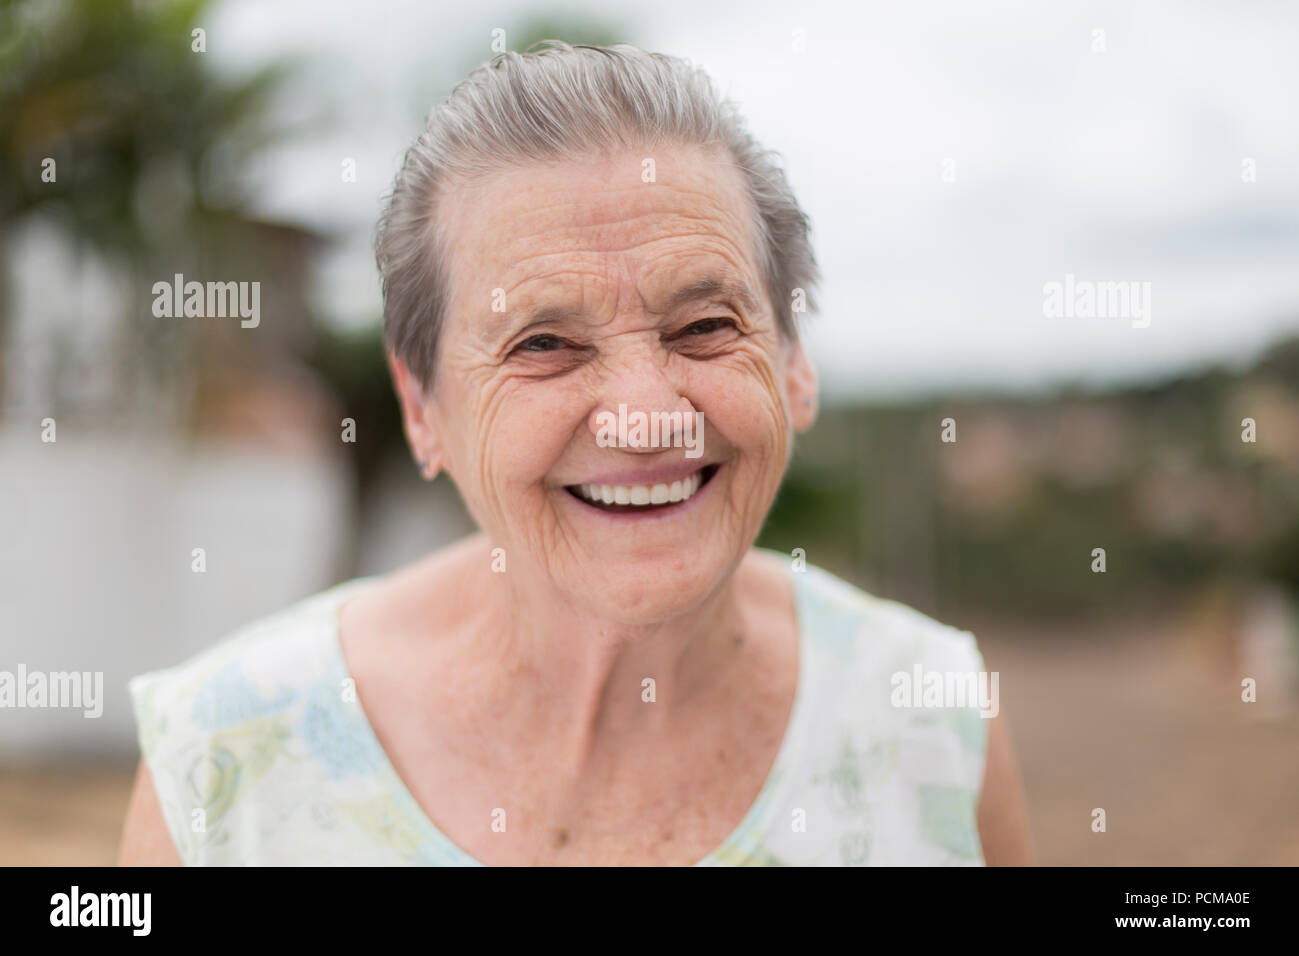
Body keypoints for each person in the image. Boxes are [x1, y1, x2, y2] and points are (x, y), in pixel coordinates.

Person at [118, 41, 1033, 866]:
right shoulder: (224, 763)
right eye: (544, 345)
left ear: (795, 365)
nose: (644, 418)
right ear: (421, 407)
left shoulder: (932, 720)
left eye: (706, 325)